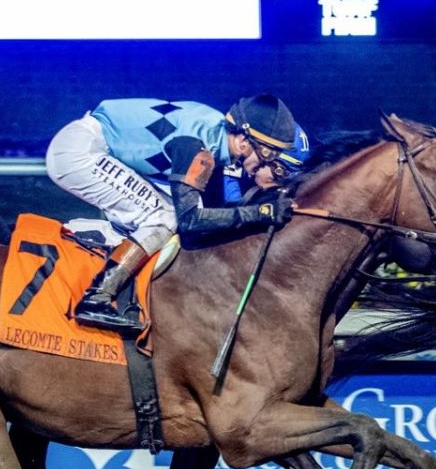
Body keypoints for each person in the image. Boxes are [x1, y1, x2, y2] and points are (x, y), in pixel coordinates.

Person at [45, 94, 304, 334]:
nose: (266, 165)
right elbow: (190, 221)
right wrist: (262, 213)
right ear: (243, 140)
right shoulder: (197, 147)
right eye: (267, 154)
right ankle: (96, 297)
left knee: (164, 210)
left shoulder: (215, 135)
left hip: (93, 145)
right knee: (164, 216)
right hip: (80, 153)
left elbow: (215, 211)